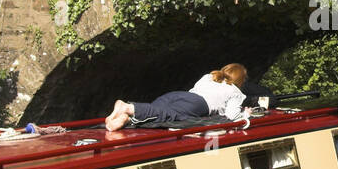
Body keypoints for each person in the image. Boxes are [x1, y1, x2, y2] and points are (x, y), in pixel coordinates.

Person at [105, 63, 249, 131]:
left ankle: (127, 119)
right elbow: (231, 115)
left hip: (180, 95)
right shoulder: (235, 92)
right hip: (199, 104)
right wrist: (244, 114)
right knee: (170, 116)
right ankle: (128, 107)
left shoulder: (210, 77)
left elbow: (195, 89)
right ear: (240, 80)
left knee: (158, 116)